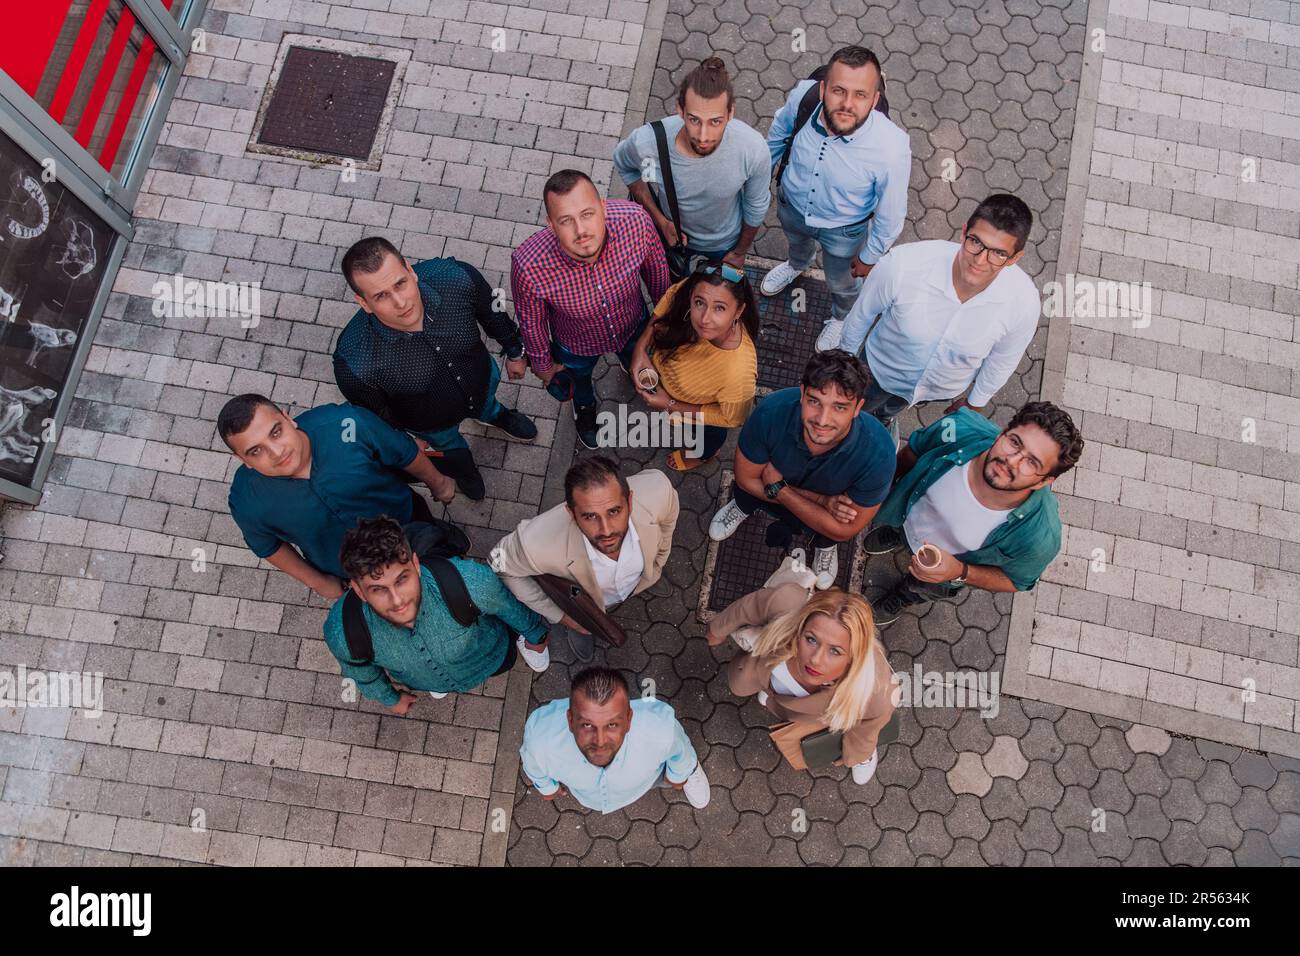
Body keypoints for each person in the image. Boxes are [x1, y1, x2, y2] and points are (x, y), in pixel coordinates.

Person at [333, 237, 538, 501]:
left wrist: (514, 350)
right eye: (381, 296)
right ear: (364, 303)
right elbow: (378, 415)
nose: (400, 302)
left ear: (410, 270)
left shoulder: (457, 278)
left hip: (481, 380)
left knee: (489, 404)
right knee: (449, 446)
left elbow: (492, 315)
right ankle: (463, 468)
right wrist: (405, 443)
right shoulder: (355, 363)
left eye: (400, 283)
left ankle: (496, 415)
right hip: (432, 423)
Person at [818, 195, 1041, 427]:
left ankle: (885, 418)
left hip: (938, 388)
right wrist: (845, 368)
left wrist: (975, 404)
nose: (981, 260)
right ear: (964, 232)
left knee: (890, 409)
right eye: (975, 241)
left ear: (1014, 258)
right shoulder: (902, 265)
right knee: (856, 411)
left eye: (998, 254)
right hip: (879, 371)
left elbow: (1003, 359)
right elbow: (861, 316)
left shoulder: (1023, 303)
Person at [865, 400, 1083, 626]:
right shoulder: (957, 428)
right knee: (899, 525)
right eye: (1015, 442)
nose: (1011, 461)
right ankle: (896, 534)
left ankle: (903, 597)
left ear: (1045, 481)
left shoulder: (1039, 537)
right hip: (906, 516)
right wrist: (879, 493)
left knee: (920, 589)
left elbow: (1016, 581)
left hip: (948, 572)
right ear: (1003, 433)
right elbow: (912, 453)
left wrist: (959, 571)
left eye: (1031, 462)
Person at [219, 394, 455, 601]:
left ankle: (449, 544)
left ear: (288, 418)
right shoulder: (246, 500)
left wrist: (440, 483)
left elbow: (403, 452)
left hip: (408, 524)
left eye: (276, 432)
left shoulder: (347, 424)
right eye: (256, 451)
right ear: (243, 460)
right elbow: (267, 545)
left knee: (444, 561)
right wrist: (319, 582)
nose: (277, 452)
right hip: (351, 570)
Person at [511, 169, 671, 450]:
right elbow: (532, 323)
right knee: (579, 382)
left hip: (633, 323)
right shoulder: (529, 265)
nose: (581, 230)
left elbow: (657, 274)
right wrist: (544, 366)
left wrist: (666, 324)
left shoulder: (636, 222)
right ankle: (584, 408)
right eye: (566, 221)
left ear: (603, 207)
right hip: (576, 344)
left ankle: (630, 361)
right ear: (550, 224)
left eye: (587, 214)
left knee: (635, 353)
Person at [707, 350, 895, 591]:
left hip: (778, 492)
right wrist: (822, 501)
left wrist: (780, 489)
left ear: (858, 407)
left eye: (839, 407)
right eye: (815, 401)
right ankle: (741, 508)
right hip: (798, 505)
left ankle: (824, 546)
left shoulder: (879, 454)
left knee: (831, 532)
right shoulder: (771, 412)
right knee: (745, 496)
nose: (823, 420)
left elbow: (844, 528)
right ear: (802, 393)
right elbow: (745, 480)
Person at [323, 516, 550, 710]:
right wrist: (389, 699)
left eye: (402, 580)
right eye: (378, 589)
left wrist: (536, 637)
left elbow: (509, 607)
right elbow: (359, 670)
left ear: (416, 565)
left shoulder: (470, 582)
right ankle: (437, 684)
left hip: (491, 659)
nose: (397, 600)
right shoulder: (342, 632)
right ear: (358, 591)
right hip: (421, 681)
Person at [760, 45, 911, 324]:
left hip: (844, 230)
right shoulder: (802, 97)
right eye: (838, 90)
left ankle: (842, 318)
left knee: (842, 284)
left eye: (860, 95)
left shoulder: (892, 147)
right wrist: (759, 183)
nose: (847, 104)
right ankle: (796, 265)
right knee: (797, 245)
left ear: (875, 99)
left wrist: (869, 257)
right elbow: (778, 135)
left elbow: (891, 215)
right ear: (822, 89)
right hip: (791, 206)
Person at [491, 457, 679, 662]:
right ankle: (581, 631)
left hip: (638, 580)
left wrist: (658, 562)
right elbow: (498, 561)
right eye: (590, 516)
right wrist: (564, 617)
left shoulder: (658, 490)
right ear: (571, 513)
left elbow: (668, 520)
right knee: (585, 624)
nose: (606, 530)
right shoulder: (534, 543)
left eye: (614, 511)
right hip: (582, 604)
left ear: (630, 501)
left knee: (649, 576)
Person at [706, 584, 894, 784]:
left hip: (816, 714)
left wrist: (854, 756)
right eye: (811, 639)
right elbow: (750, 607)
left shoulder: (876, 693)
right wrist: (718, 628)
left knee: (796, 711)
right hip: (767, 679)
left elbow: (865, 733)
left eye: (835, 651)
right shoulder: (785, 604)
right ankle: (773, 693)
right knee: (773, 696)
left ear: (853, 656)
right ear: (801, 627)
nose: (815, 660)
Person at [613, 56, 770, 272]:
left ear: (731, 112)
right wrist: (660, 221)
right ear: (680, 110)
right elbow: (626, 167)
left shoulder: (753, 148)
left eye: (715, 121)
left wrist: (739, 253)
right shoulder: (647, 143)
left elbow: (756, 206)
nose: (704, 136)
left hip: (724, 244)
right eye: (694, 120)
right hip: (672, 239)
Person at [519, 666, 711, 812]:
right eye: (587, 725)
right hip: (590, 796)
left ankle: (692, 771)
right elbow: (533, 764)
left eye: (612, 725)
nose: (600, 741)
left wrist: (678, 775)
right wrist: (546, 788)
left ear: (629, 719)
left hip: (648, 779)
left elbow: (680, 749)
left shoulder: (659, 728)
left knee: (680, 768)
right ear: (570, 720)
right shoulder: (540, 739)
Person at [627, 261, 759, 471]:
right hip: (669, 390)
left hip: (699, 415)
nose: (705, 319)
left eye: (720, 308)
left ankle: (704, 455)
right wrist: (641, 348)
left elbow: (730, 418)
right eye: (699, 303)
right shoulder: (694, 287)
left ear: (739, 311)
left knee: (708, 437)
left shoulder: (739, 374)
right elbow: (671, 297)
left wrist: (670, 405)